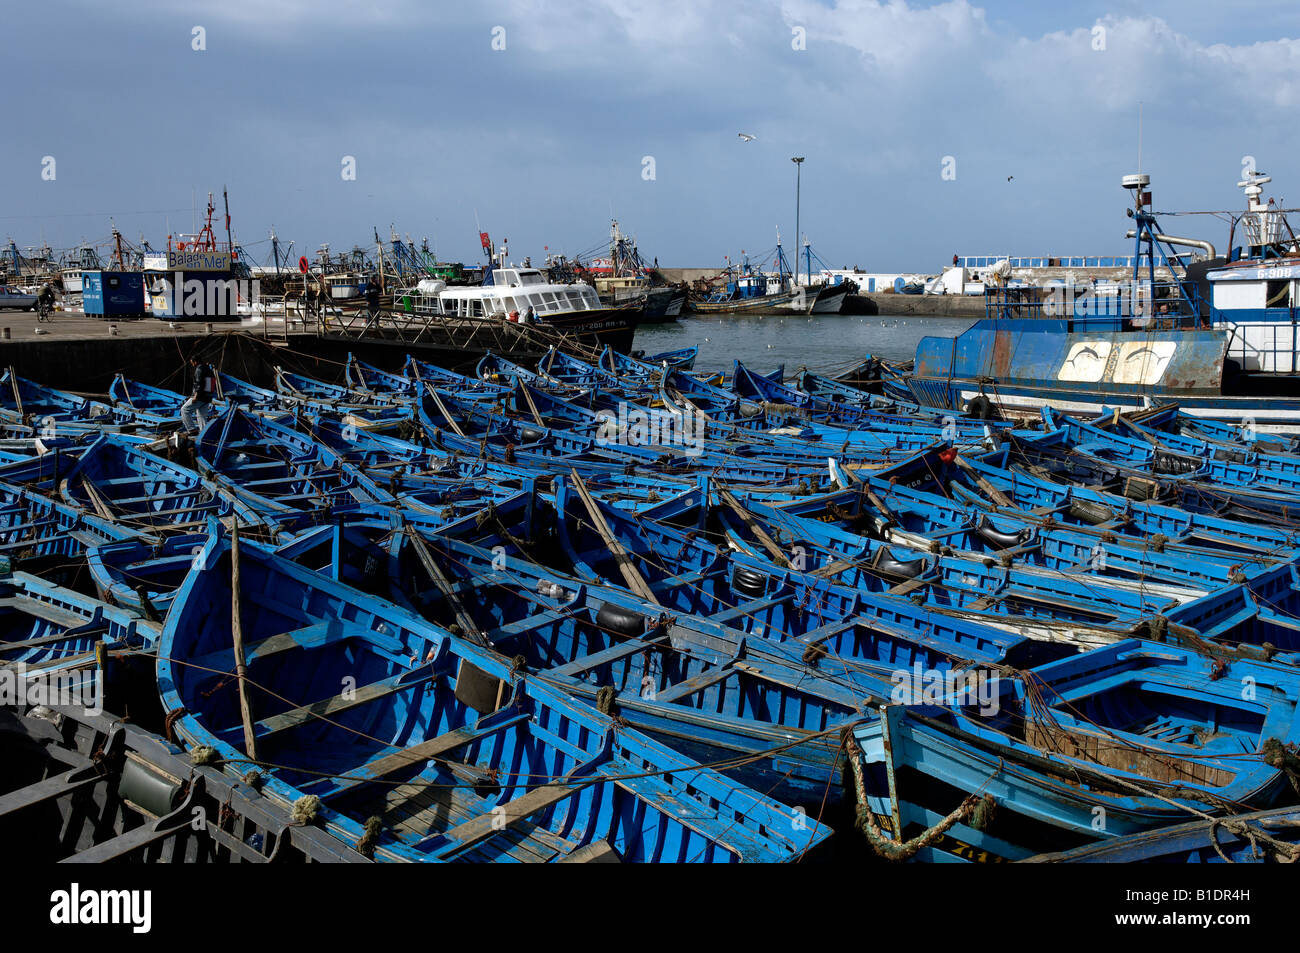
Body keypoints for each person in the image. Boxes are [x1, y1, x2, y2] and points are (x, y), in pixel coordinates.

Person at [180, 359, 217, 431]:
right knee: (202, 416)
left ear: (195, 362)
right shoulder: (208, 369)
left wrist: (195, 396)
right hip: (208, 397)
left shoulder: (199, 369)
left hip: (200, 397)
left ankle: (191, 429)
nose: (192, 364)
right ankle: (204, 433)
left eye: (192, 363)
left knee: (184, 410)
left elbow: (199, 384)